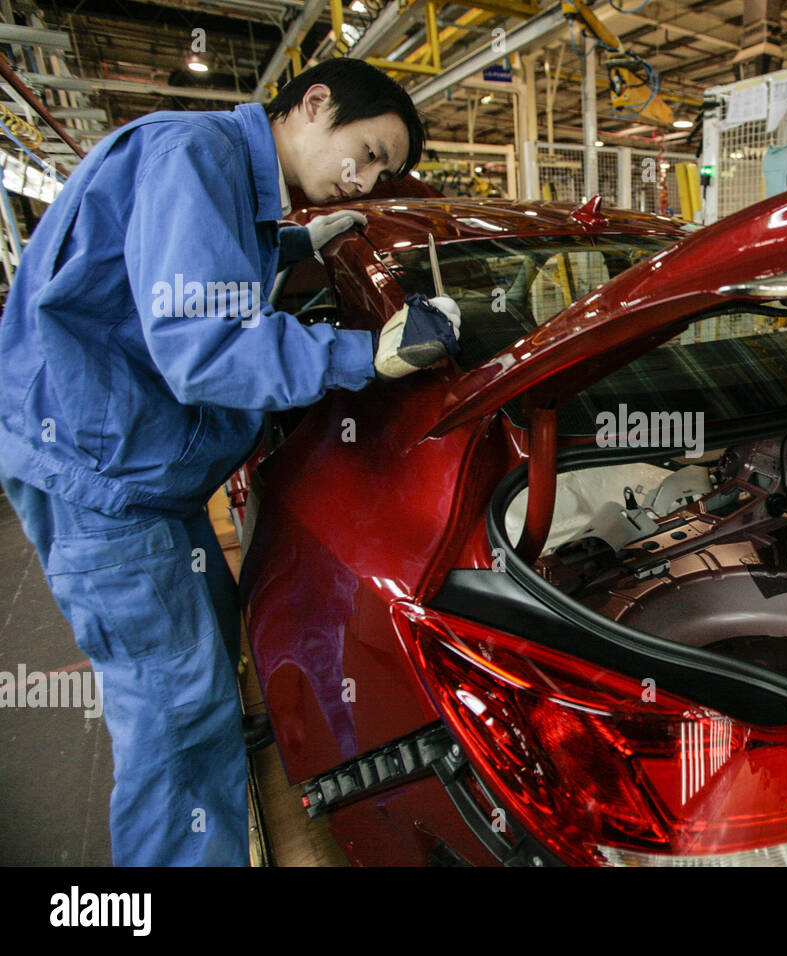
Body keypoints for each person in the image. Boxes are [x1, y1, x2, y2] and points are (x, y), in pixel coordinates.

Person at [0, 57, 459, 866]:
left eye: (385, 169)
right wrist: (366, 356)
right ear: (314, 104)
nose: (368, 178)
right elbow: (203, 344)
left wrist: (281, 246)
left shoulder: (218, 170)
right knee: (176, 718)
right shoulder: (193, 154)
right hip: (104, 482)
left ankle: (217, 727)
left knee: (207, 628)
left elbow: (178, 271)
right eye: (372, 151)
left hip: (137, 470)